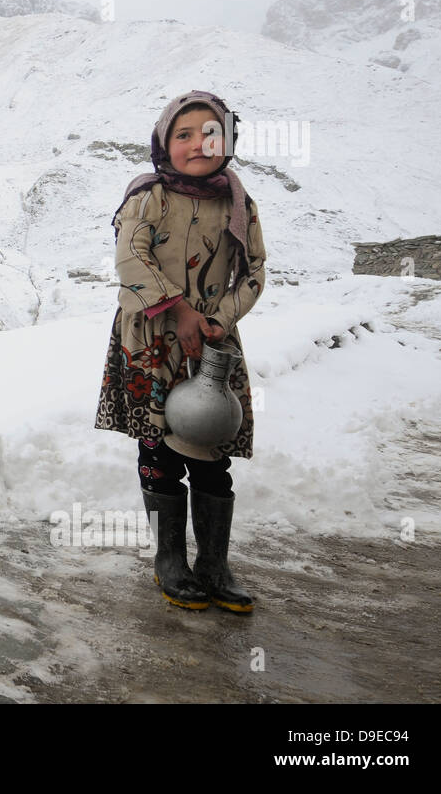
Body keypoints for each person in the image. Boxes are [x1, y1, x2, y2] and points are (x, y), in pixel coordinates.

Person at [93, 90, 267, 612]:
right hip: (152, 339)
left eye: (210, 133)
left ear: (228, 140)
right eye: (184, 134)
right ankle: (170, 561)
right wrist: (180, 310)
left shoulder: (239, 204)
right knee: (159, 451)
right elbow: (130, 259)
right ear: (165, 143)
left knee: (212, 451)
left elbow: (255, 273)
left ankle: (214, 564)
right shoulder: (147, 197)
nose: (198, 144)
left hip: (211, 342)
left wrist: (218, 318)